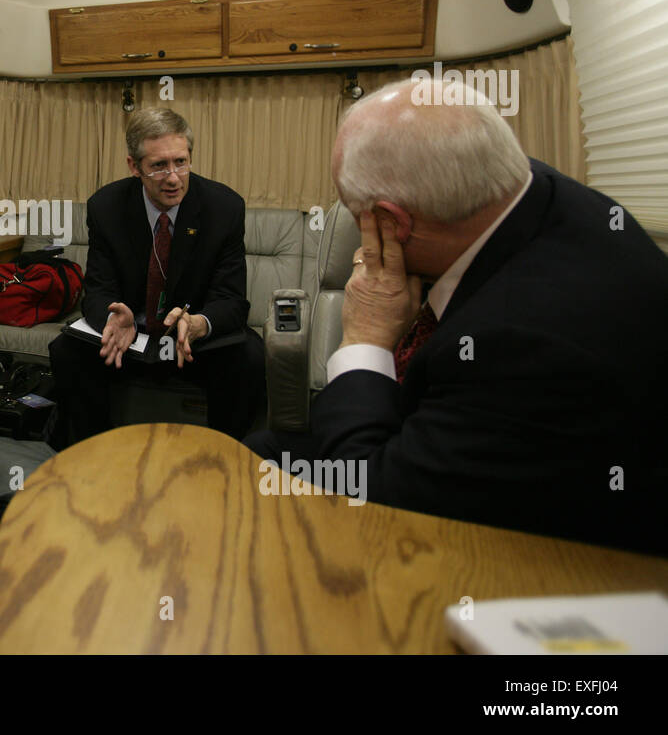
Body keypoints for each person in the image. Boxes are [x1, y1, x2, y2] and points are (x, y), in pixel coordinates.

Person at [244, 77, 668, 555]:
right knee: (262, 453)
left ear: (392, 224)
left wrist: (365, 338)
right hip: (484, 443)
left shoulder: (522, 346)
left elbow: (377, 504)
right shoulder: (528, 190)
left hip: (537, 554)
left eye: (357, 214)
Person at [48, 108, 266, 445]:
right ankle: (94, 456)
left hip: (190, 341)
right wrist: (113, 317)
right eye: (159, 165)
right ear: (134, 166)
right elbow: (98, 289)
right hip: (132, 337)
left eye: (181, 162)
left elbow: (232, 299)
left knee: (249, 356)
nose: (173, 178)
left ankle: (226, 458)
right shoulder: (106, 206)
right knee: (67, 350)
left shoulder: (224, 207)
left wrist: (199, 323)